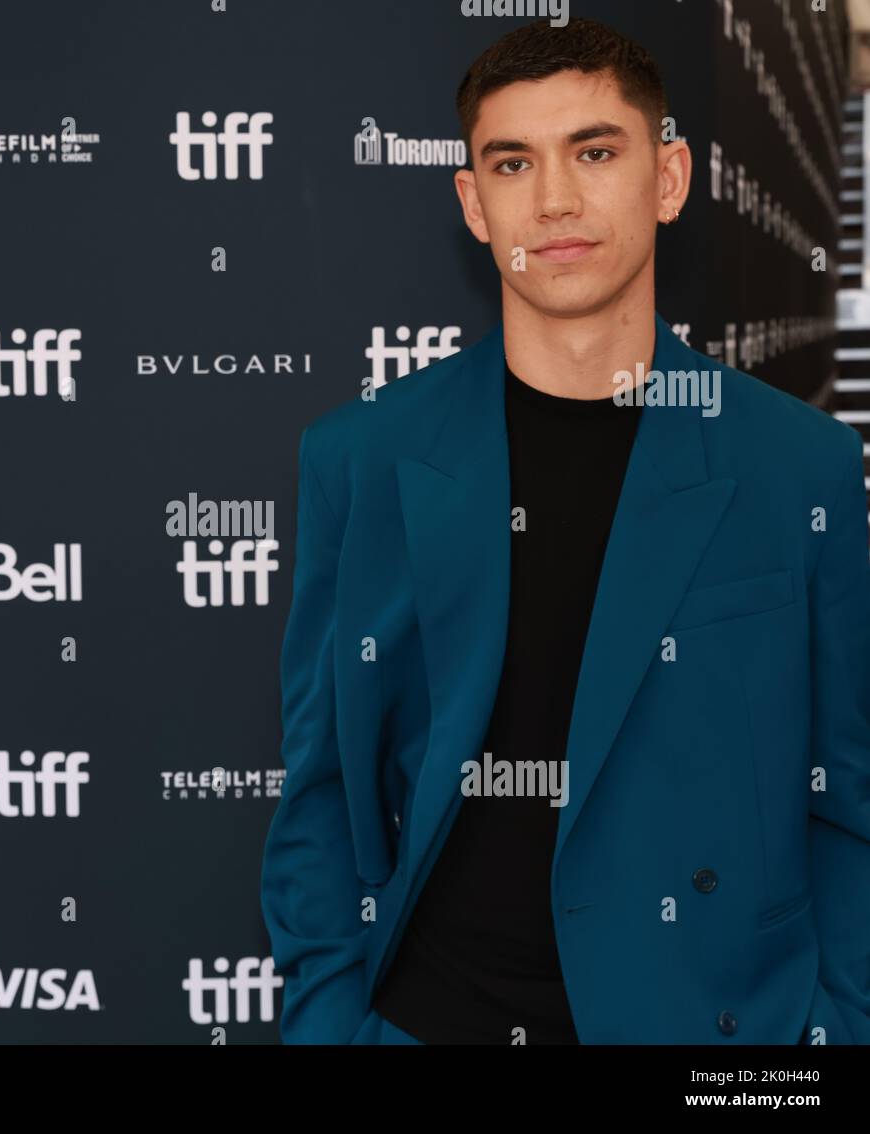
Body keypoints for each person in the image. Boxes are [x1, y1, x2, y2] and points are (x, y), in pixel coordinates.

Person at [260, 17, 870, 1045]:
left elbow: (846, 799)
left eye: (593, 151)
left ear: (668, 179)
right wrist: (333, 1029)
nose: (552, 200)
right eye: (512, 162)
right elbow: (321, 791)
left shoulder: (798, 465)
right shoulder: (359, 461)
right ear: (471, 200)